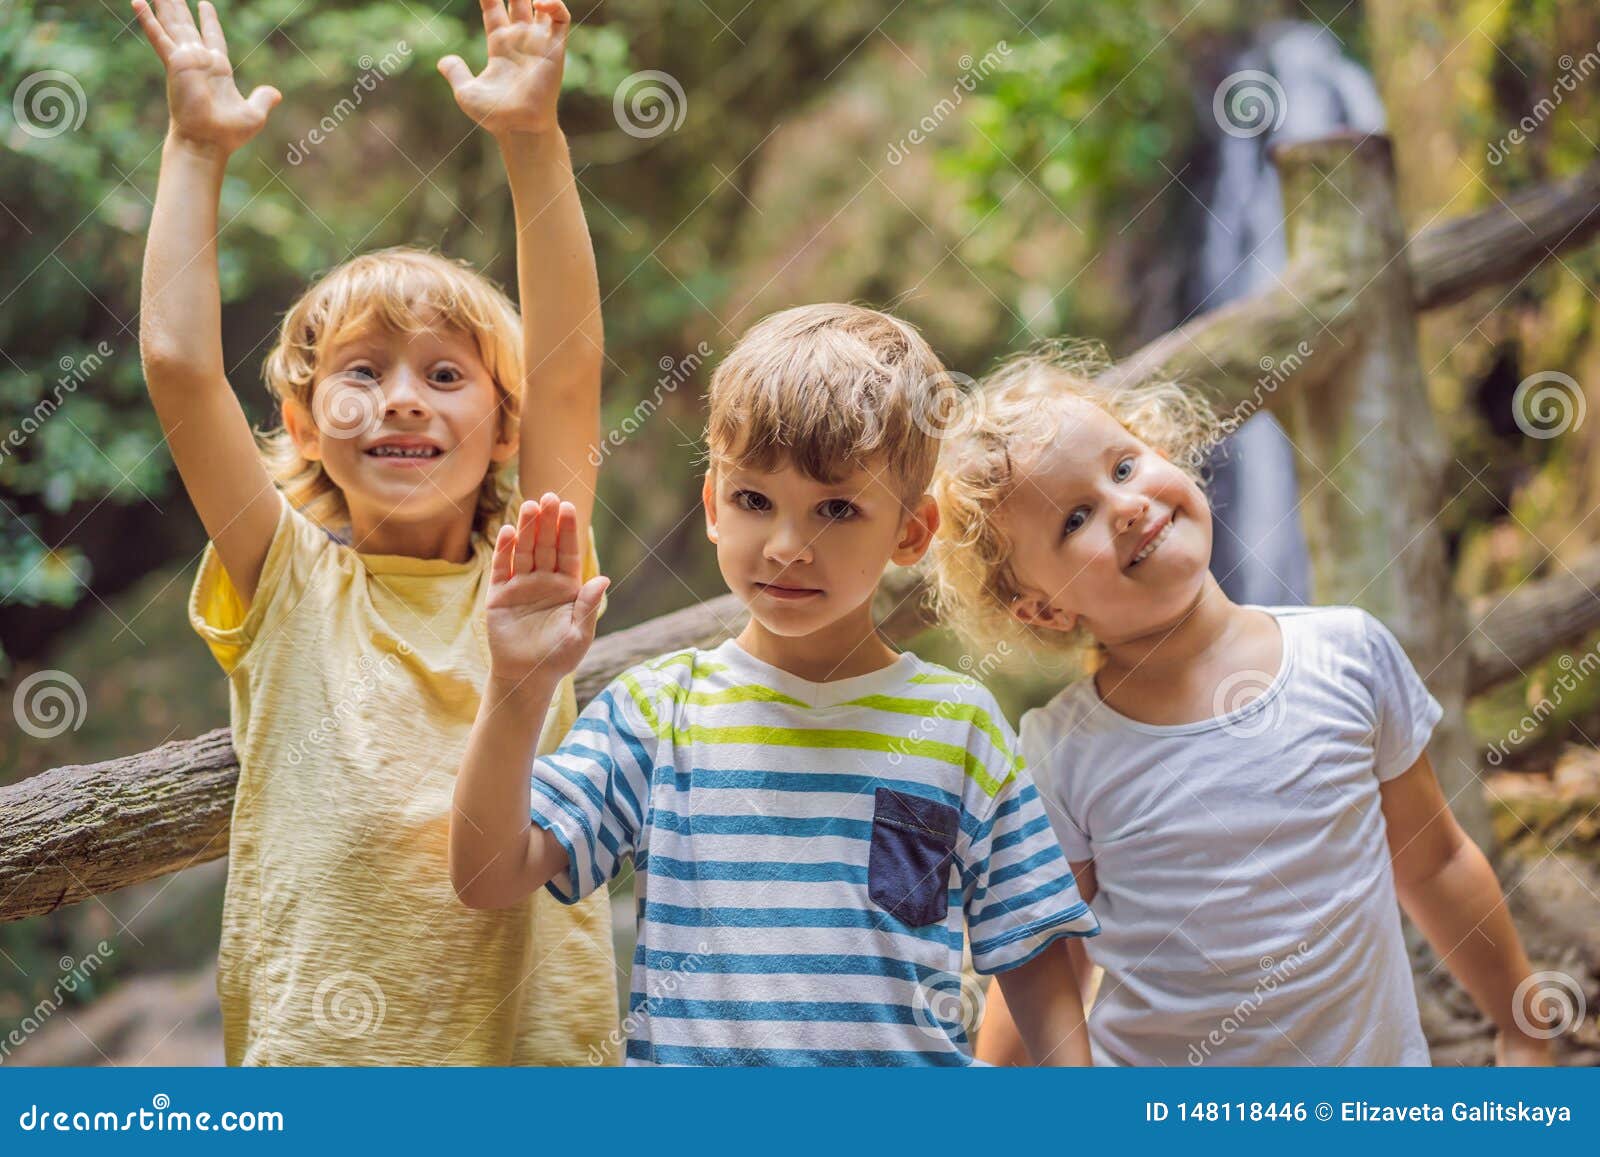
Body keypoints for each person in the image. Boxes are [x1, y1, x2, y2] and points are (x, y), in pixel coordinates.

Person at [134, 0, 617, 1063]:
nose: (403, 401)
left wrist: (533, 140)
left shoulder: (535, 565)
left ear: (506, 424)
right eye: (364, 372)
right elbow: (177, 364)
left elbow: (572, 360)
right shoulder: (286, 582)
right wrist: (193, 146)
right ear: (305, 423)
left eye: (446, 376)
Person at [451, 306, 1100, 1065]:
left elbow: (1030, 952)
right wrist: (517, 687)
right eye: (755, 501)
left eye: (836, 509)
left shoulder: (961, 726)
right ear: (713, 507)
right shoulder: (660, 710)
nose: (789, 547)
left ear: (911, 533)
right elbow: (490, 875)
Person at [928, 345, 1551, 1066]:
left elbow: (1436, 862)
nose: (1128, 508)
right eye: (1076, 519)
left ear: (1163, 450)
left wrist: (1524, 1025)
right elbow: (1047, 970)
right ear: (1040, 609)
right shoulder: (1063, 750)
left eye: (1124, 466)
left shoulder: (1349, 654)